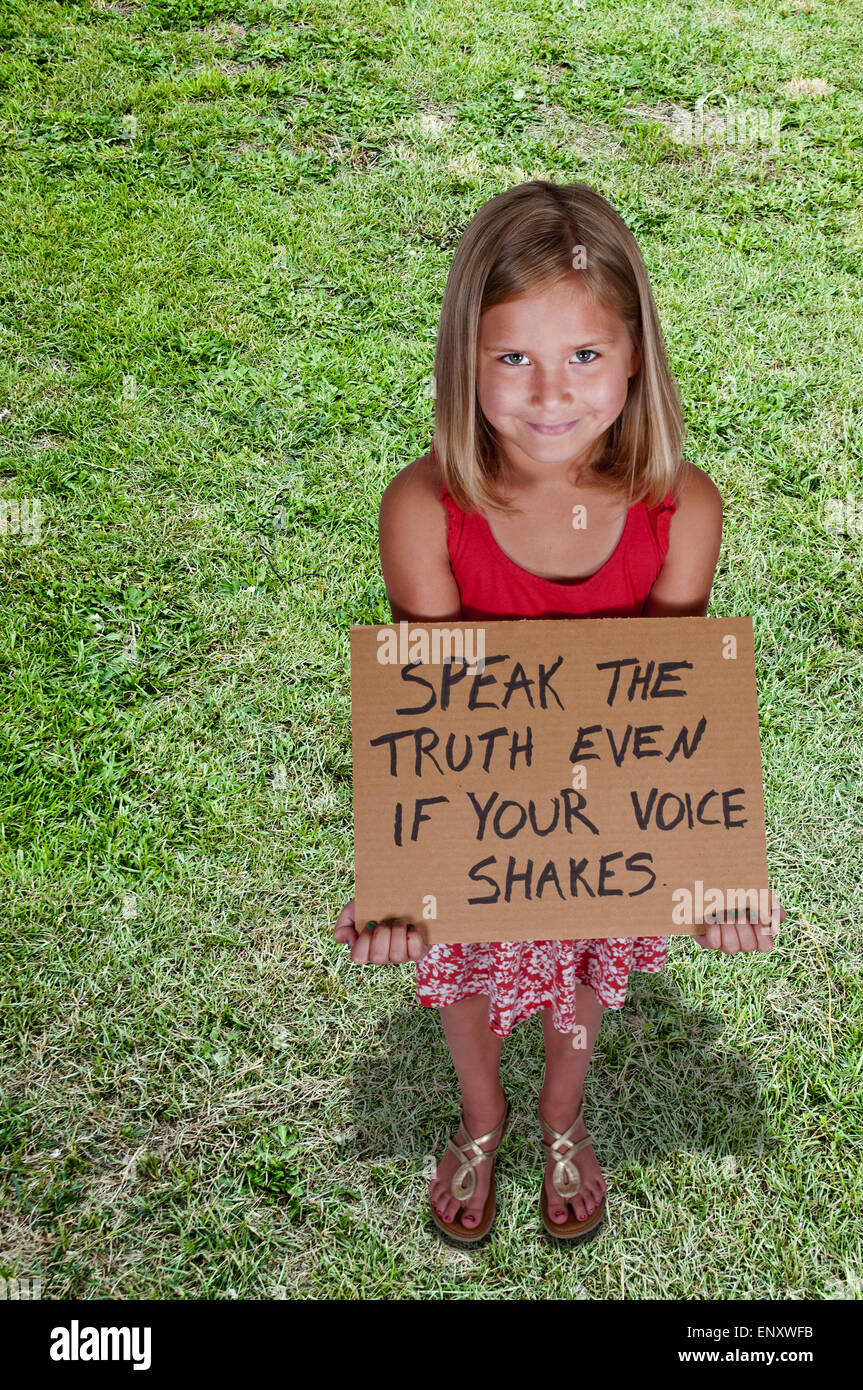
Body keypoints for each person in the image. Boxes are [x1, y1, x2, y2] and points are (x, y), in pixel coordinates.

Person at [333, 180, 786, 1246]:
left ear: (634, 359)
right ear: (464, 360)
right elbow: (429, 717)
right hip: (480, 828)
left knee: (585, 971)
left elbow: (673, 708)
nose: (549, 394)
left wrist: (710, 874)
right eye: (511, 358)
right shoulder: (421, 509)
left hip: (607, 827)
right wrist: (406, 886)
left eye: (583, 355)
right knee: (467, 973)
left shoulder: (684, 508)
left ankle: (559, 1115)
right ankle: (482, 1113)